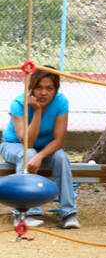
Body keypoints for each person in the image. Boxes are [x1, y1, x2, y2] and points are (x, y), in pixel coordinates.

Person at [1, 70, 79, 228]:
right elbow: (27, 143)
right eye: (39, 88)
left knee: (61, 157)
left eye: (49, 88)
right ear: (31, 88)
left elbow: (58, 140)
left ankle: (69, 213)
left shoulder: (61, 101)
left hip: (45, 147)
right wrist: (37, 111)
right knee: (29, 153)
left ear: (56, 90)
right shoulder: (19, 103)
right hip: (13, 146)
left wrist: (41, 155)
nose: (44, 92)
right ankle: (23, 214)